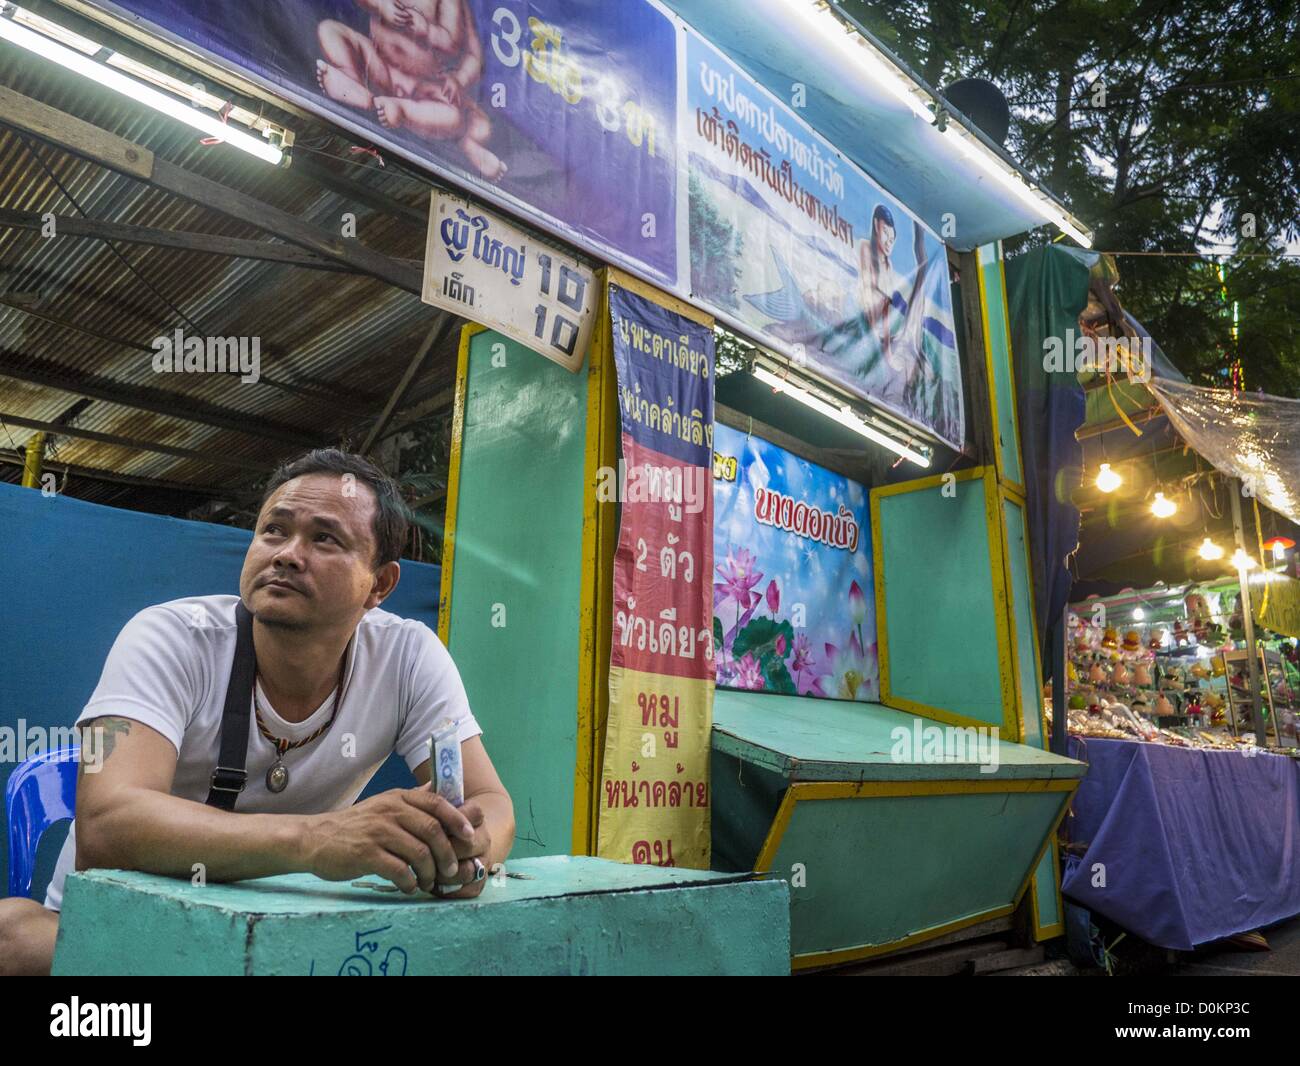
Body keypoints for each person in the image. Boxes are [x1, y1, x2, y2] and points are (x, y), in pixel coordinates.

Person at [0, 448, 513, 976]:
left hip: (284, 940)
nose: (288, 554)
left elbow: (488, 799)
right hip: (124, 939)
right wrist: (321, 839)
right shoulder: (169, 636)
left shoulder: (408, 657)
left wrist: (467, 853)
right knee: (12, 933)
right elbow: (108, 825)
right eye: (274, 530)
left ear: (379, 584)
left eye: (325, 538)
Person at [316, 0, 507, 179]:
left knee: (456, 118)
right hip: (380, 68)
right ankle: (354, 81)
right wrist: (382, 5)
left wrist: (428, 31)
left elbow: (462, 49)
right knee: (329, 29)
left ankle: (403, 110)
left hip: (425, 89)